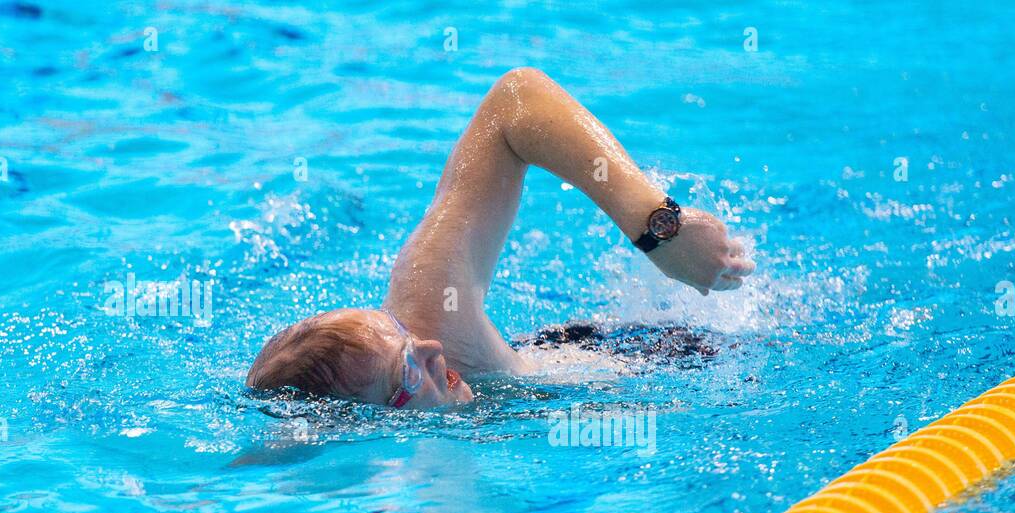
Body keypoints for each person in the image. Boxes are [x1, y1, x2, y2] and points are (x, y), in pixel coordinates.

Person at [246, 68, 755, 409]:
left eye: (402, 334)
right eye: (406, 370)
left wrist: (657, 227)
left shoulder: (431, 314)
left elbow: (516, 99)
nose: (429, 349)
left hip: (655, 354)